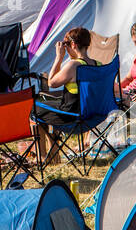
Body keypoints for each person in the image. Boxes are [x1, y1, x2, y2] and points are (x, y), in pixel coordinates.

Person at [32, 27, 95, 165]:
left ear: (73, 45)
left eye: (66, 46)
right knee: (49, 107)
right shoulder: (98, 65)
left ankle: (43, 156)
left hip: (71, 117)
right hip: (93, 116)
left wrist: (58, 58)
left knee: (35, 110)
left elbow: (51, 82)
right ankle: (54, 154)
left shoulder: (73, 65)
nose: (66, 50)